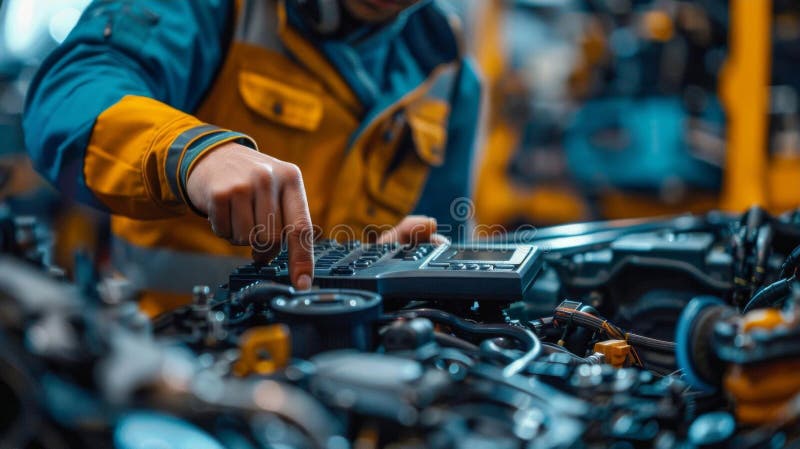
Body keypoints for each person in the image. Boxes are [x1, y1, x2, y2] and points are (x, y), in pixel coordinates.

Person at [23, 0, 481, 315]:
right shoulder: (213, 11)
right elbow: (69, 94)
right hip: (174, 365)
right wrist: (191, 153)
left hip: (348, 370)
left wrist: (397, 267)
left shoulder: (444, 65)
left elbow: (441, 242)